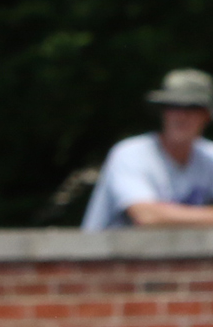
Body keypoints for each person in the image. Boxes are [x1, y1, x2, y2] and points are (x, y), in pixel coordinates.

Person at [82, 68, 213, 230]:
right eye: (173, 106)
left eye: (191, 108)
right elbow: (146, 216)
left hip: (171, 253)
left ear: (207, 115)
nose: (181, 116)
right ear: (163, 112)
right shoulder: (130, 153)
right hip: (106, 253)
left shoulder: (208, 156)